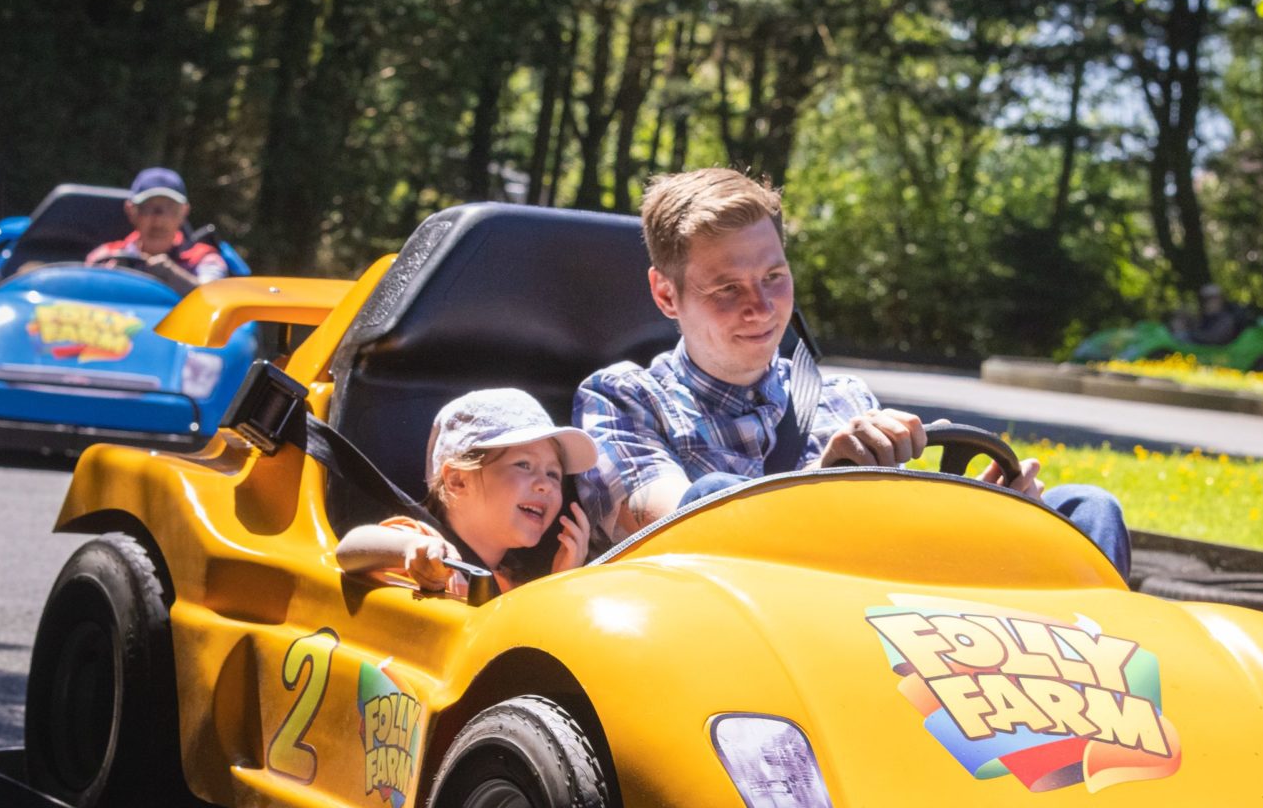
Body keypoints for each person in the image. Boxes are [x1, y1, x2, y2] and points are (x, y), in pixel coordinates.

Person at [573, 167, 1130, 576]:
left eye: (774, 277)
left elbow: (893, 539)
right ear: (666, 294)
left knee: (1086, 510)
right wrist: (820, 482)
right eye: (727, 289)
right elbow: (671, 527)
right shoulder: (622, 400)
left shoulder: (843, 400)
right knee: (719, 495)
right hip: (733, 635)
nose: (762, 307)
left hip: (874, 618)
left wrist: (983, 508)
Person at [336, 389, 596, 599]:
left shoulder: (515, 585)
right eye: (523, 465)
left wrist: (559, 582)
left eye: (554, 474)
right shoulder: (428, 544)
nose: (546, 485)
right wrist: (410, 549)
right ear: (458, 481)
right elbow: (350, 549)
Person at [85, 167, 234, 291]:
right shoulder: (105, 257)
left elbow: (213, 300)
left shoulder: (205, 259)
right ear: (131, 211)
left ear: (184, 212)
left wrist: (171, 274)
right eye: (148, 208)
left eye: (170, 209)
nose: (159, 220)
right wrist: (105, 280)